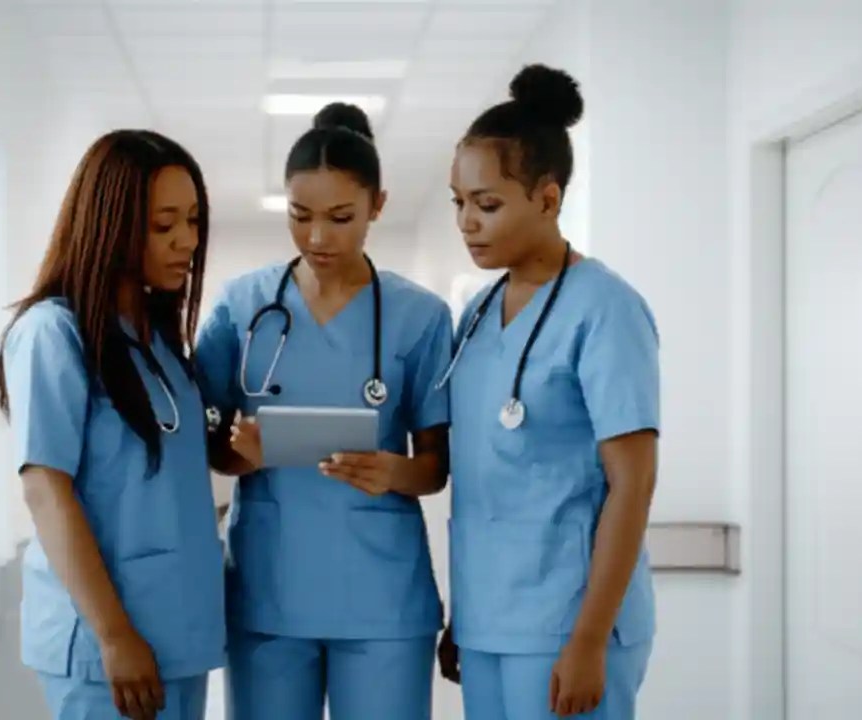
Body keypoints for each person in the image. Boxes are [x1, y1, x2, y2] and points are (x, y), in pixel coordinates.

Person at [193, 103, 453, 720]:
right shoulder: (243, 306)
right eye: (299, 216)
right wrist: (241, 453)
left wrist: (392, 471)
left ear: (377, 206)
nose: (317, 237)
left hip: (382, 597)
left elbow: (436, 466)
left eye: (341, 218)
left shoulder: (421, 317)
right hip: (270, 591)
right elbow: (207, 444)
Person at [437, 64, 660, 719]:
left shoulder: (605, 309)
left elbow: (634, 483)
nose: (468, 223)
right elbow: (483, 483)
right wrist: (466, 617)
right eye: (458, 203)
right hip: (488, 625)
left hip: (570, 624)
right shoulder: (476, 315)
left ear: (548, 198)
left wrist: (589, 639)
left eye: (487, 204)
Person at [0, 129, 225, 720]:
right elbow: (46, 490)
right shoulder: (53, 333)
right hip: (108, 642)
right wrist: (115, 634)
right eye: (163, 225)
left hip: (176, 633)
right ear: (113, 225)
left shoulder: (157, 340)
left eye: (193, 221)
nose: (187, 242)